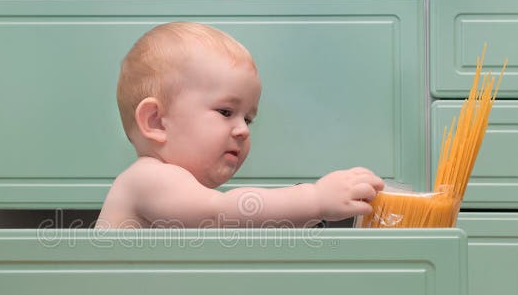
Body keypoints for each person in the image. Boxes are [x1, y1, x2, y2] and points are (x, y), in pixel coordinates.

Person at [96, 22, 384, 228]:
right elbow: (222, 212)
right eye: (225, 111)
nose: (243, 130)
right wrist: (315, 200)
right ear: (156, 121)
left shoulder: (177, 193)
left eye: (247, 118)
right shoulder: (147, 179)